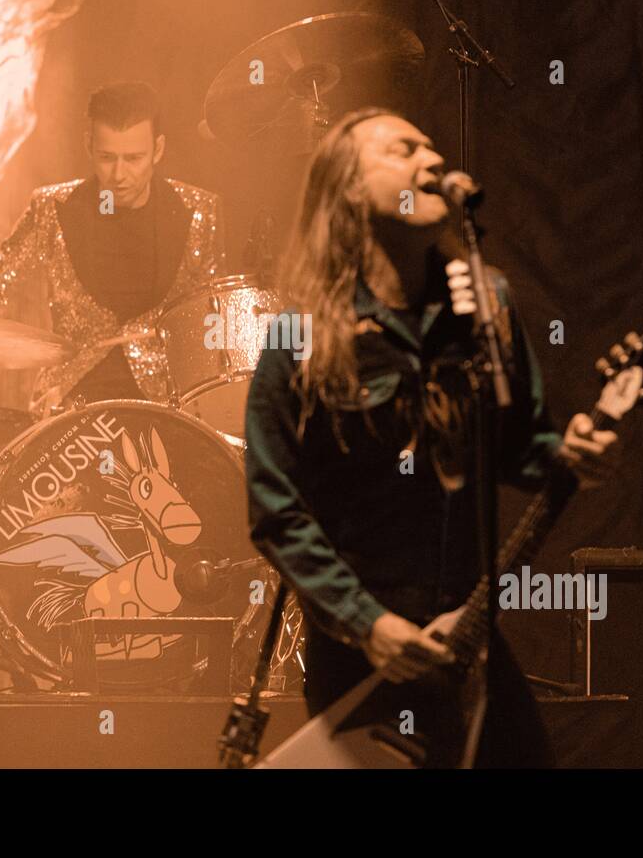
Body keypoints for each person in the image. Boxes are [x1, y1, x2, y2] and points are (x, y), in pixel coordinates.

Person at [244, 108, 620, 767]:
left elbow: (523, 449)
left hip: (468, 641)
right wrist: (369, 624)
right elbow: (276, 512)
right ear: (350, 190)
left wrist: (572, 453)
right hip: (361, 660)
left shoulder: (485, 307)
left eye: (434, 148)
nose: (433, 159)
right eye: (404, 149)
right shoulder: (301, 337)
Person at [0, 82, 225, 413]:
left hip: (166, 404)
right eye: (107, 157)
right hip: (70, 403)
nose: (119, 174)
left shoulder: (199, 211)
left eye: (134, 158)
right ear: (88, 146)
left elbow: (213, 316)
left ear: (158, 150)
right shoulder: (51, 209)